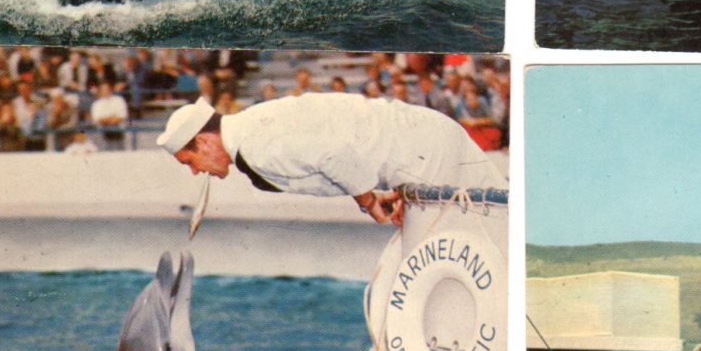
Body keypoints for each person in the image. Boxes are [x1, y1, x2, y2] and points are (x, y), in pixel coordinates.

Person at [157, 92, 502, 225]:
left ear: (203, 141)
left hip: (420, 153)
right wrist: (371, 192)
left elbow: (333, 154)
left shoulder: (257, 148)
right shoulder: (254, 121)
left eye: (189, 162)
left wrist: (368, 201)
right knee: (503, 213)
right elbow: (338, 154)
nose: (194, 172)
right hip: (426, 136)